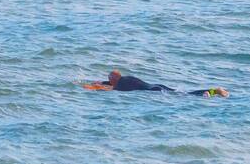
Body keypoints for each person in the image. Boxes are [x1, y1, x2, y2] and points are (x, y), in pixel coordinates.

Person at [83, 70, 228, 98]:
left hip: (156, 92)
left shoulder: (120, 85)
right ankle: (214, 91)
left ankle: (211, 92)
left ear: (114, 79)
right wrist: (99, 82)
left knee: (184, 97)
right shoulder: (126, 79)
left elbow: (109, 88)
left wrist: (92, 88)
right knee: (183, 93)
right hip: (157, 86)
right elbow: (110, 83)